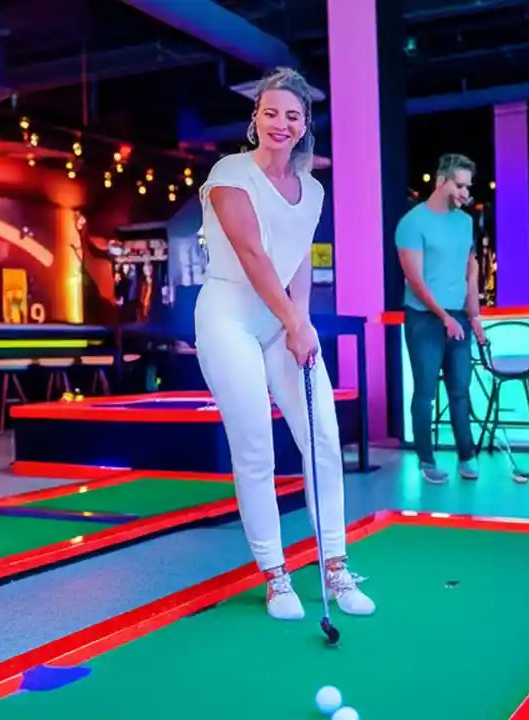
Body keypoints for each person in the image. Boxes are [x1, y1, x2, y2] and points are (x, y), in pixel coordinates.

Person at [195, 67, 375, 621]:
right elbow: (251, 256)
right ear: (255, 119)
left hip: (282, 319)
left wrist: (302, 322)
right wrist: (293, 323)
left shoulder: (313, 189)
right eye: (270, 112)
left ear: (304, 127)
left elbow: (298, 261)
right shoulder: (230, 173)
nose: (280, 123)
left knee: (322, 435)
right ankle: (275, 576)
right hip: (228, 315)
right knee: (256, 446)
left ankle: (336, 566)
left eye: (291, 115)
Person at [395, 153, 486, 484]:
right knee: (425, 392)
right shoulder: (412, 223)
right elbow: (415, 281)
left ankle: (468, 456)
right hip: (423, 319)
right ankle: (426, 459)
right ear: (441, 181)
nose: (465, 193)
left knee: (460, 390)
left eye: (468, 187)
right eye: (459, 186)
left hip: (458, 316)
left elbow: (470, 268)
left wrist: (472, 316)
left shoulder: (464, 222)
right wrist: (443, 316)